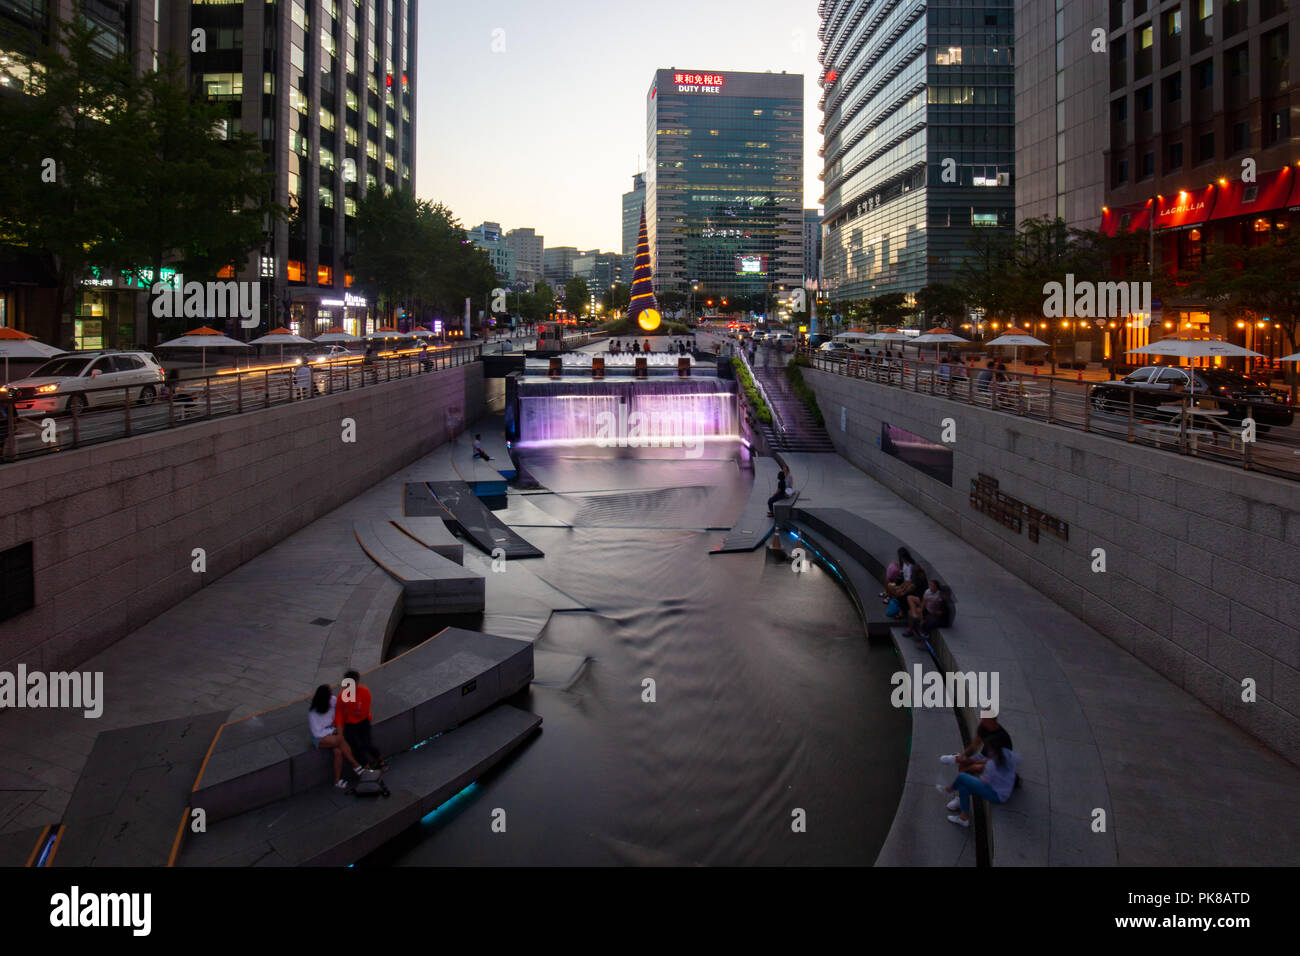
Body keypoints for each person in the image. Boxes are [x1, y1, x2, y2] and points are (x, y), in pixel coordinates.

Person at [939, 733, 1020, 827]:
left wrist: (968, 768)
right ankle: (963, 818)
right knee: (964, 785)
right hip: (1003, 790)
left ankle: (949, 789)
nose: (988, 750)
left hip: (996, 794)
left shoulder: (991, 766)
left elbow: (983, 781)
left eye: (989, 748)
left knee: (962, 778)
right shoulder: (1007, 754)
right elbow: (1015, 760)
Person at [308, 684, 365, 788]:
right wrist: (333, 731)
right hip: (320, 738)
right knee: (340, 739)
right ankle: (355, 764)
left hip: (332, 733)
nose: (332, 695)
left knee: (338, 752)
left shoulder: (333, 700)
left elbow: (340, 710)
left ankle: (337, 780)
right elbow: (317, 732)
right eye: (329, 693)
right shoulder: (313, 713)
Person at [335, 669, 386, 771]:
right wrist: (339, 730)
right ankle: (366, 767)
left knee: (368, 744)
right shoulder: (342, 696)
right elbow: (339, 714)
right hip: (350, 724)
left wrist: (353, 710)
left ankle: (381, 761)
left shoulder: (364, 692)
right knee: (356, 746)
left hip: (363, 721)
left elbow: (363, 712)